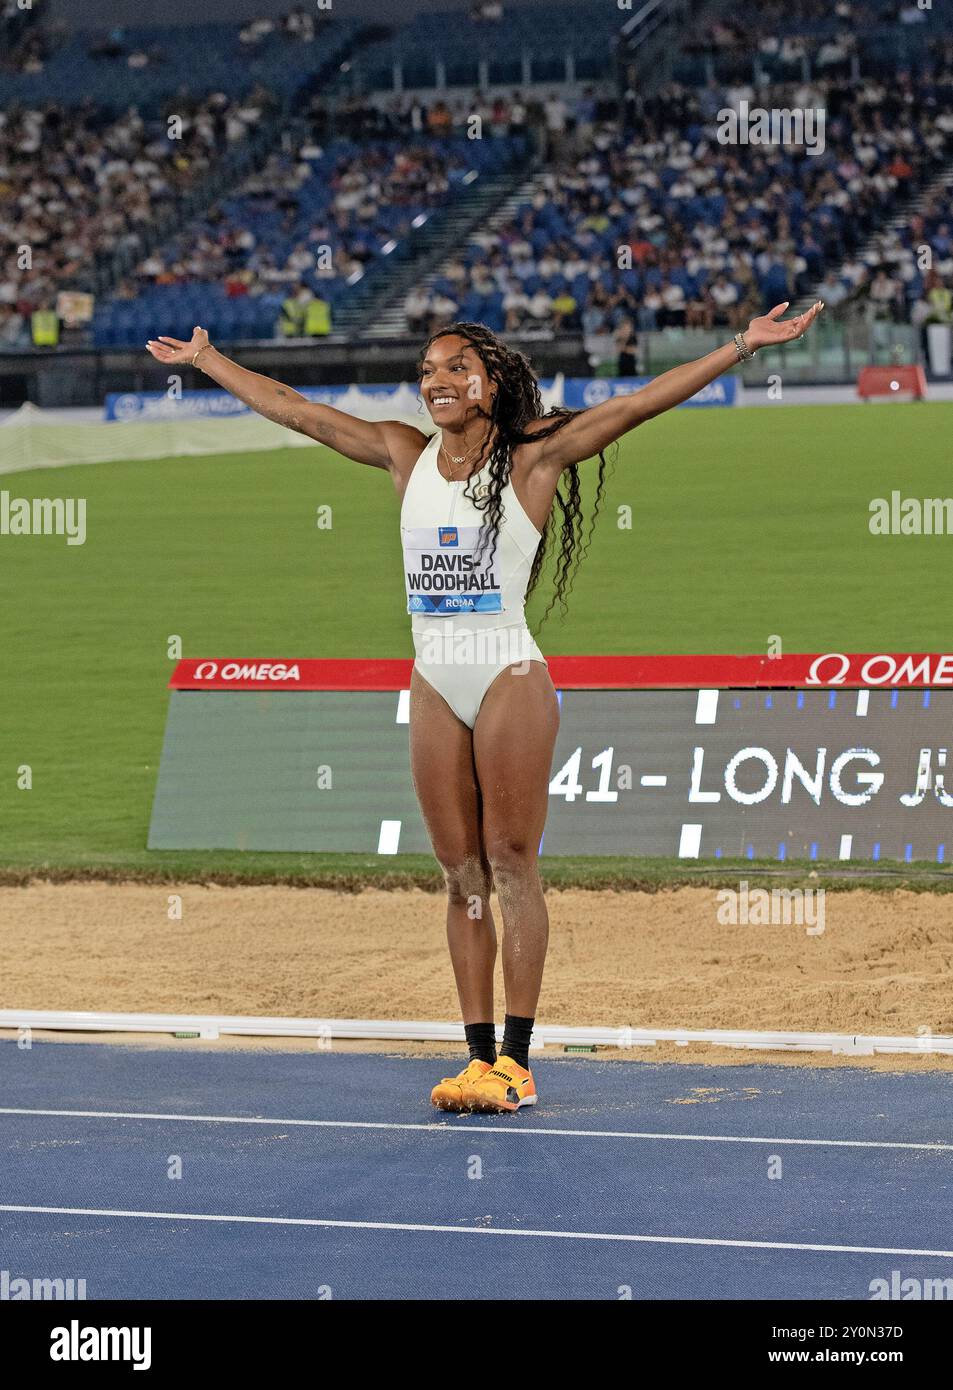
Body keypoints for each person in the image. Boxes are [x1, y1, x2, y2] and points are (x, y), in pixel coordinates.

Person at [145, 301, 824, 1113]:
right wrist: (209, 361)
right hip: (434, 676)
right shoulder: (404, 453)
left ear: (491, 384)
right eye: (427, 370)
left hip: (505, 671)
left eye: (454, 368)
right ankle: (475, 1060)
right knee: (459, 874)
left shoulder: (534, 456)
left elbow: (639, 402)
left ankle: (517, 1059)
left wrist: (743, 343)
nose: (436, 380)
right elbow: (300, 413)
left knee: (510, 862)